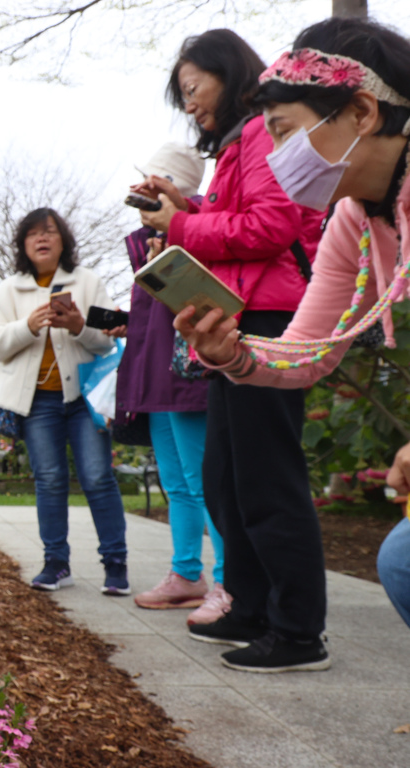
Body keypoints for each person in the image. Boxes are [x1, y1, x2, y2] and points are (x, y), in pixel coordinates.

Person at [177, 17, 410, 635]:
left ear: (361, 110)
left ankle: (294, 626)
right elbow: (306, 354)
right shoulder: (356, 220)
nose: (277, 158)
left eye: (283, 133)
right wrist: (232, 354)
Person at [130, 28, 328, 673]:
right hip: (235, 321)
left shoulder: (260, 135)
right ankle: (247, 604)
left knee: (267, 478)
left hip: (269, 319)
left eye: (193, 88)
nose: (189, 105)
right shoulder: (237, 147)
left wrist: (179, 223)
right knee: (226, 477)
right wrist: (186, 208)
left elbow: (273, 226)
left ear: (228, 73)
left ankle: (298, 629)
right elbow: (239, 222)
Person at [0, 208, 130, 595]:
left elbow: (109, 339)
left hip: (85, 400)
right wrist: (27, 326)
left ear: (63, 240)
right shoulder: (7, 290)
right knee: (49, 481)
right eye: (32, 233)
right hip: (37, 405)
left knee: (98, 478)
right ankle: (56, 563)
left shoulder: (87, 282)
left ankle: (116, 565)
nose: (41, 238)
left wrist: (80, 327)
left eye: (49, 231)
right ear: (23, 244)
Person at [116, 143, 231, 623]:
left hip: (188, 374)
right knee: (178, 485)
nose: (144, 189)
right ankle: (186, 574)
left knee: (207, 483)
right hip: (155, 377)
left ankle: (227, 580)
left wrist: (178, 220)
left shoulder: (198, 225)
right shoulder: (147, 239)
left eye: (156, 180)